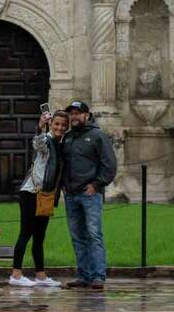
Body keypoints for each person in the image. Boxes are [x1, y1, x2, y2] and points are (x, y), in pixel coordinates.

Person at [60, 100, 117, 290]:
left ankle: (98, 276)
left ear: (87, 115)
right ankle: (83, 275)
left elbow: (109, 165)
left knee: (94, 235)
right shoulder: (67, 138)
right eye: (72, 113)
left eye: (78, 113)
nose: (74, 116)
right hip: (71, 195)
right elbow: (61, 164)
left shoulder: (97, 136)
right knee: (77, 236)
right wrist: (63, 185)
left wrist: (96, 184)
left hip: (89, 194)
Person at [9, 109, 67, 287]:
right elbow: (38, 144)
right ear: (51, 124)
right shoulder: (47, 140)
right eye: (57, 124)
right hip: (31, 192)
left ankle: (41, 276)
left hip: (46, 195)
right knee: (25, 233)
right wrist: (39, 128)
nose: (60, 127)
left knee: (40, 236)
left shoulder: (61, 144)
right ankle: (16, 274)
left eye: (64, 125)